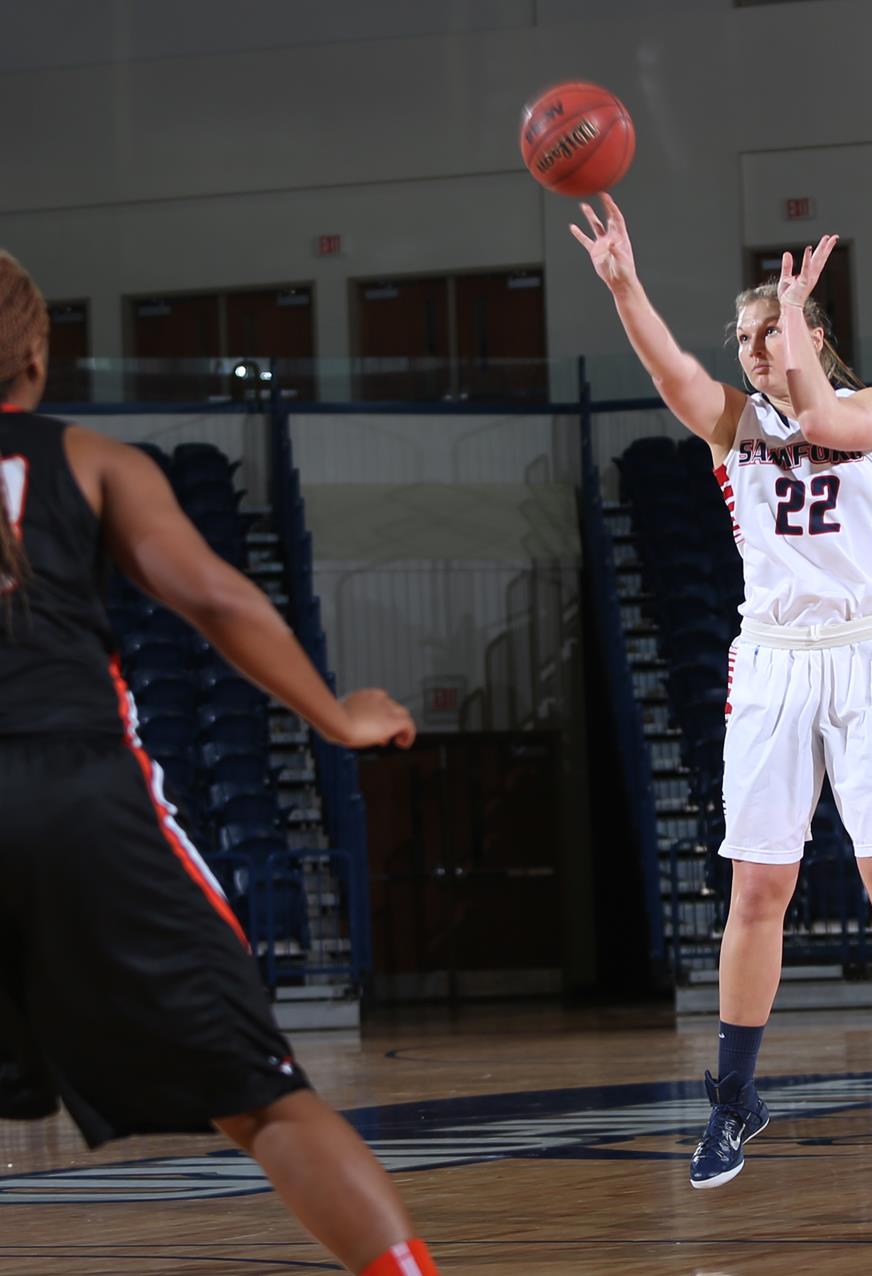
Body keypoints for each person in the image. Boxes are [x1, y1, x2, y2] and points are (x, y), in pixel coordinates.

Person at [0, 251, 439, 1276]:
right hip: (76, 793)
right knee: (262, 1094)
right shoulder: (95, 461)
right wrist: (336, 716)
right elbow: (221, 602)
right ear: (35, 346)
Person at [570, 196, 872, 1188]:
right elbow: (669, 371)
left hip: (870, 655)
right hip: (772, 660)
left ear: (815, 336)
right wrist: (624, 286)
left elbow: (822, 416)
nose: (750, 349)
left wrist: (790, 316)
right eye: (741, 336)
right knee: (758, 890)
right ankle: (735, 1099)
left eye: (770, 331)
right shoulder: (733, 425)